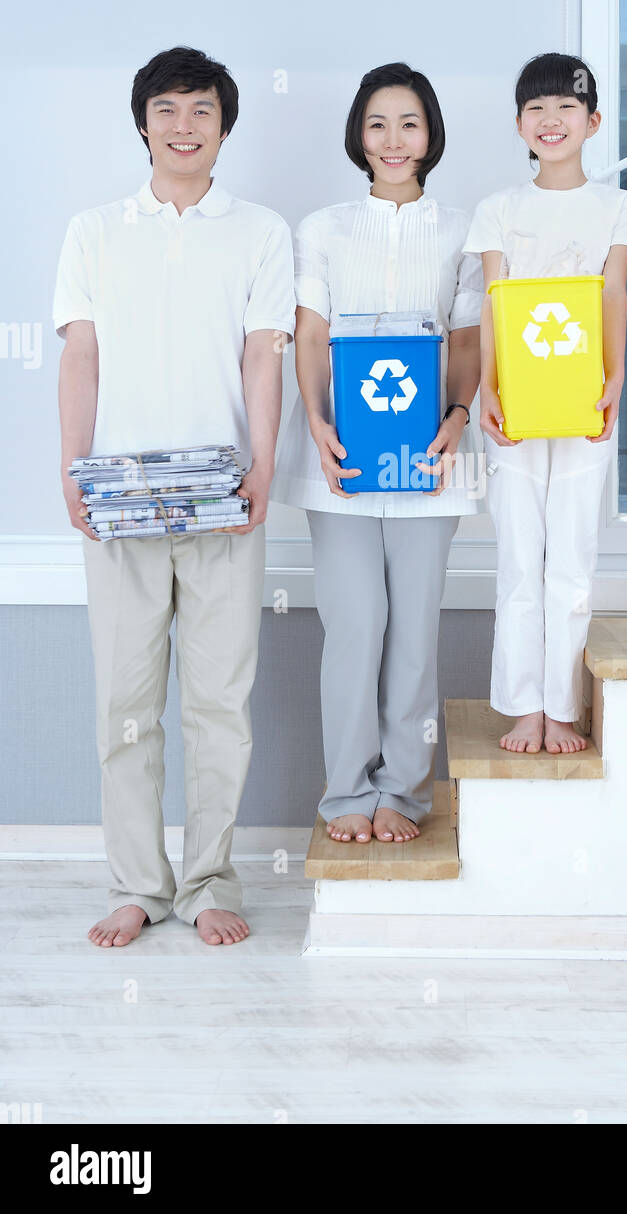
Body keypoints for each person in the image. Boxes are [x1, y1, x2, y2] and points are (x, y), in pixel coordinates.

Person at [54, 46, 295, 946]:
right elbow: (82, 354)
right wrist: (72, 467)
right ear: (143, 122)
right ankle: (137, 884)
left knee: (219, 703)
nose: (183, 125)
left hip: (223, 494)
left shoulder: (261, 232)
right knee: (125, 700)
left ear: (225, 126)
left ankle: (209, 883)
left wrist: (261, 463)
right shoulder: (95, 231)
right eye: (167, 108)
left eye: (201, 110)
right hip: (117, 495)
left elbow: (262, 355)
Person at [273, 62, 482, 844]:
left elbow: (465, 340)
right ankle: (345, 794)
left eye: (410, 123)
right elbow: (313, 334)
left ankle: (404, 791)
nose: (395, 141)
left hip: (430, 454)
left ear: (431, 134)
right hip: (344, 458)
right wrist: (318, 421)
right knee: (356, 625)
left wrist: (458, 414)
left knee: (414, 629)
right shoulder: (322, 228)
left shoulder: (463, 229)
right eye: (378, 125)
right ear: (358, 137)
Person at [465, 52, 627, 755]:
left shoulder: (619, 207)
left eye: (567, 107)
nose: (552, 119)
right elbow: (492, 302)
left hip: (581, 400)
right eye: (537, 109)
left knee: (571, 553)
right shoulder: (499, 211)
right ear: (519, 124)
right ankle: (523, 706)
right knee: (519, 554)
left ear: (593, 121)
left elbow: (612, 295)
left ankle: (562, 706)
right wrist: (488, 385)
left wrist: (616, 376)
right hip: (513, 398)